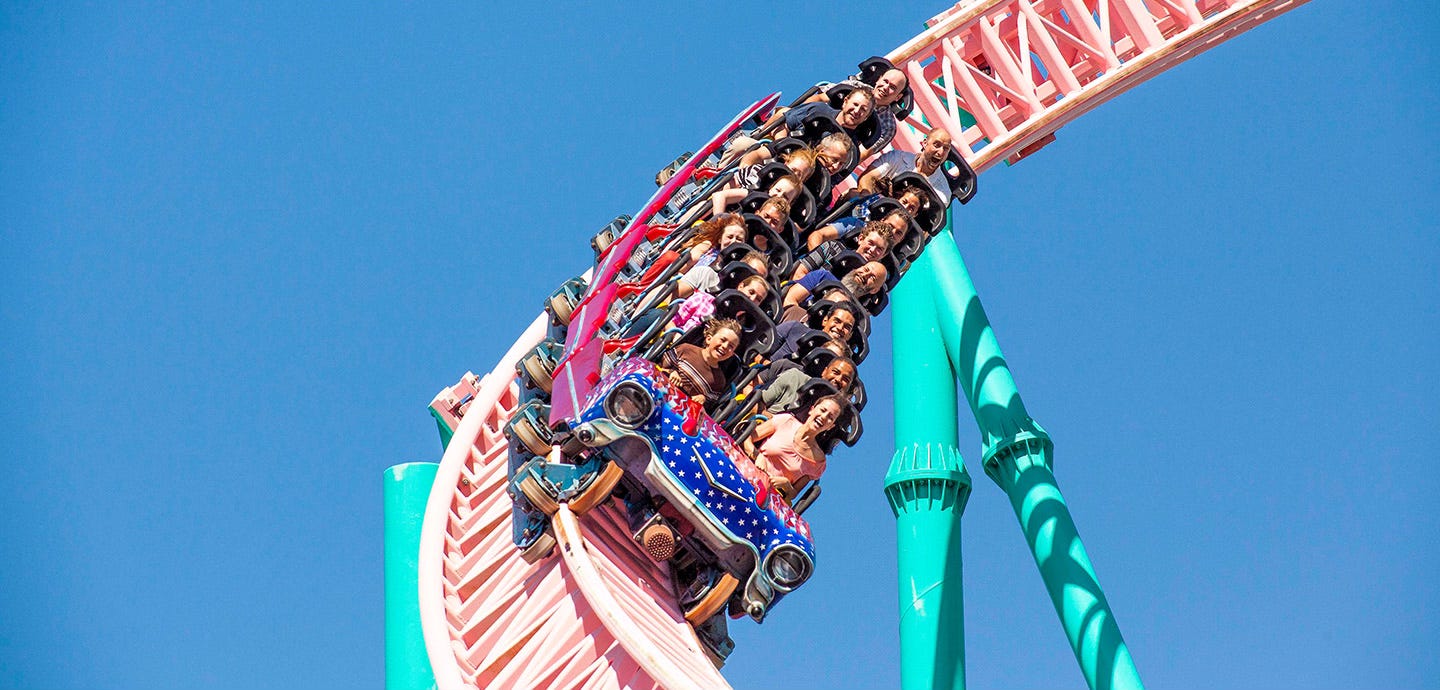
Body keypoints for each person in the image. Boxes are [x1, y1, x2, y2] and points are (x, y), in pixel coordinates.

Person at [744, 395, 845, 499]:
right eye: (823, 410)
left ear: (830, 426)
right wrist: (757, 456)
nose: (824, 417)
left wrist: (787, 485)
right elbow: (746, 437)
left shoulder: (818, 461)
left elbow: (793, 494)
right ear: (812, 410)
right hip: (746, 472)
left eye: (830, 418)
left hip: (767, 495)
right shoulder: (786, 421)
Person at [807, 67, 907, 158]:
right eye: (885, 81)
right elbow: (820, 97)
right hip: (812, 128)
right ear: (878, 79)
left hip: (833, 153)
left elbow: (861, 154)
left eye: (892, 87)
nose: (885, 87)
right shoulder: (854, 86)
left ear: (898, 97)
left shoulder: (888, 126)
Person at [858, 126, 956, 205]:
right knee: (853, 194)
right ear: (925, 143)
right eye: (936, 145)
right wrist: (867, 201)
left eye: (946, 148)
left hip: (900, 221)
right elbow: (867, 177)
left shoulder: (942, 192)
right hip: (873, 204)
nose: (940, 152)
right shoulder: (897, 158)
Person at [659, 317, 742, 404]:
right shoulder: (685, 349)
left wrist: (703, 398)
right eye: (723, 340)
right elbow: (657, 366)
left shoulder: (719, 381)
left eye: (731, 346)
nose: (725, 346)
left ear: (731, 354)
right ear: (709, 339)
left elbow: (708, 405)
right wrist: (671, 372)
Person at [791, 224, 892, 280]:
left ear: (884, 254)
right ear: (861, 239)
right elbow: (799, 273)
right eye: (870, 243)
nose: (872, 250)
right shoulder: (833, 248)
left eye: (879, 249)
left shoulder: (870, 279)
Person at [778, 87, 876, 145]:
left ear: (866, 117)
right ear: (845, 102)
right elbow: (782, 122)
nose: (856, 111)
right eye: (855, 104)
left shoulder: (851, 147)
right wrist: (781, 145)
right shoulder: (818, 110)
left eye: (863, 109)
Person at [781, 261, 888, 313]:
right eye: (866, 269)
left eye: (872, 278)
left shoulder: (856, 314)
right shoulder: (822, 276)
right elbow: (790, 299)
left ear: (874, 290)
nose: (864, 275)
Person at [672, 274, 769, 332]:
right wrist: (676, 336)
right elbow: (672, 321)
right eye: (751, 292)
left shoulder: (745, 329)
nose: (752, 299)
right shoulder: (703, 299)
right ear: (741, 286)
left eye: (758, 299)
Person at [760, 355, 857, 413]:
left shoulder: (837, 413)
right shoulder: (795, 377)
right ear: (824, 371)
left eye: (845, 379)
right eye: (835, 372)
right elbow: (759, 402)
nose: (838, 379)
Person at [770, 302, 861, 361]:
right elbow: (764, 347)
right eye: (837, 321)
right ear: (825, 320)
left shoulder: (840, 364)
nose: (840, 328)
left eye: (847, 327)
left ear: (850, 335)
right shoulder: (794, 328)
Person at [676, 249, 768, 298]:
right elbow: (673, 297)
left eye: (760, 278)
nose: (755, 279)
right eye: (752, 271)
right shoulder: (705, 274)